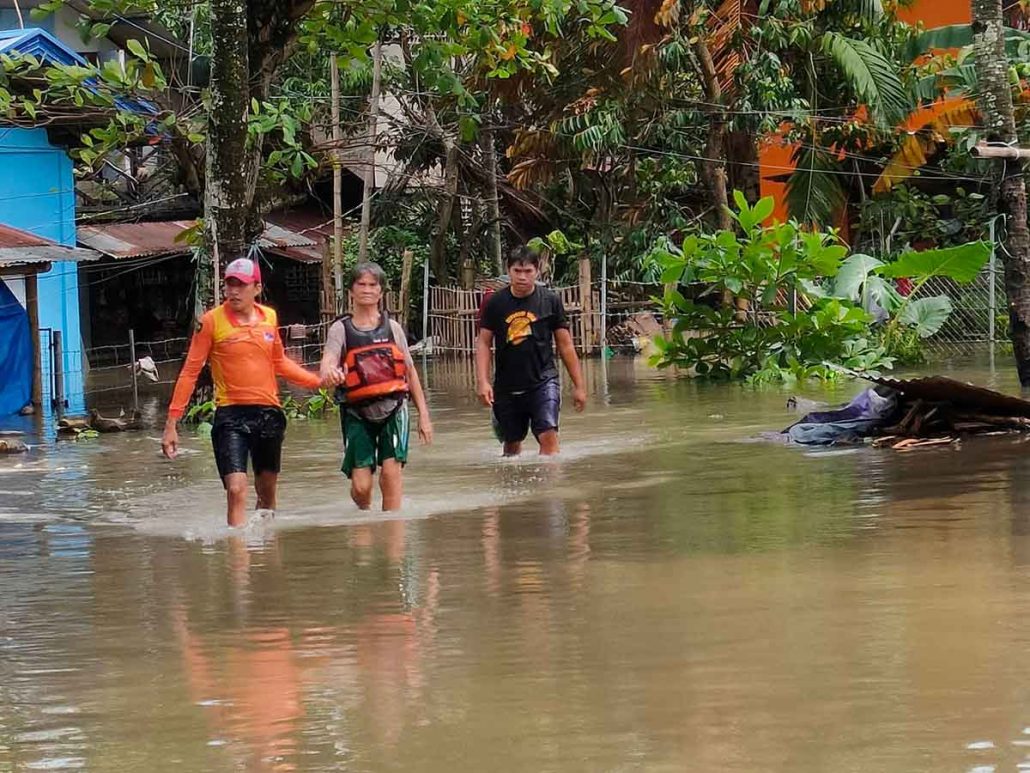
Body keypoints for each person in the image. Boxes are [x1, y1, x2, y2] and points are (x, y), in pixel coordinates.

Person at [162, 257, 334, 527]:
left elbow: (279, 362)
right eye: (230, 285)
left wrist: (315, 381)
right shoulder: (210, 322)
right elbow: (190, 372)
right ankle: (238, 563)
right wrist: (172, 422)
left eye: (241, 285)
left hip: (269, 414)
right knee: (236, 489)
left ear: (256, 288)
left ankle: (265, 556)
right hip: (231, 416)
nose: (234, 291)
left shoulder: (269, 318)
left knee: (266, 495)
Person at [320, 262, 432, 511]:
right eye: (361, 284)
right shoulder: (340, 329)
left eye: (373, 285)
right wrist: (330, 372)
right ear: (351, 291)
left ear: (381, 293)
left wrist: (423, 415)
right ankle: (365, 522)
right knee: (362, 488)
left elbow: (410, 371)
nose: (367, 290)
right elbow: (328, 360)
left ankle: (394, 540)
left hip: (394, 407)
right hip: (356, 412)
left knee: (390, 475)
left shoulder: (393, 328)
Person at [476, 245, 587, 456]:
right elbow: (483, 342)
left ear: (537, 271)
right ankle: (514, 485)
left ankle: (548, 488)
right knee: (511, 446)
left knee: (548, 436)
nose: (522, 277)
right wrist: (482, 381)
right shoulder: (495, 303)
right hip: (507, 386)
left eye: (528, 271)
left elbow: (565, 345)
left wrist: (579, 386)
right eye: (517, 271)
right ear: (509, 271)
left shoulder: (550, 301)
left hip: (543, 381)